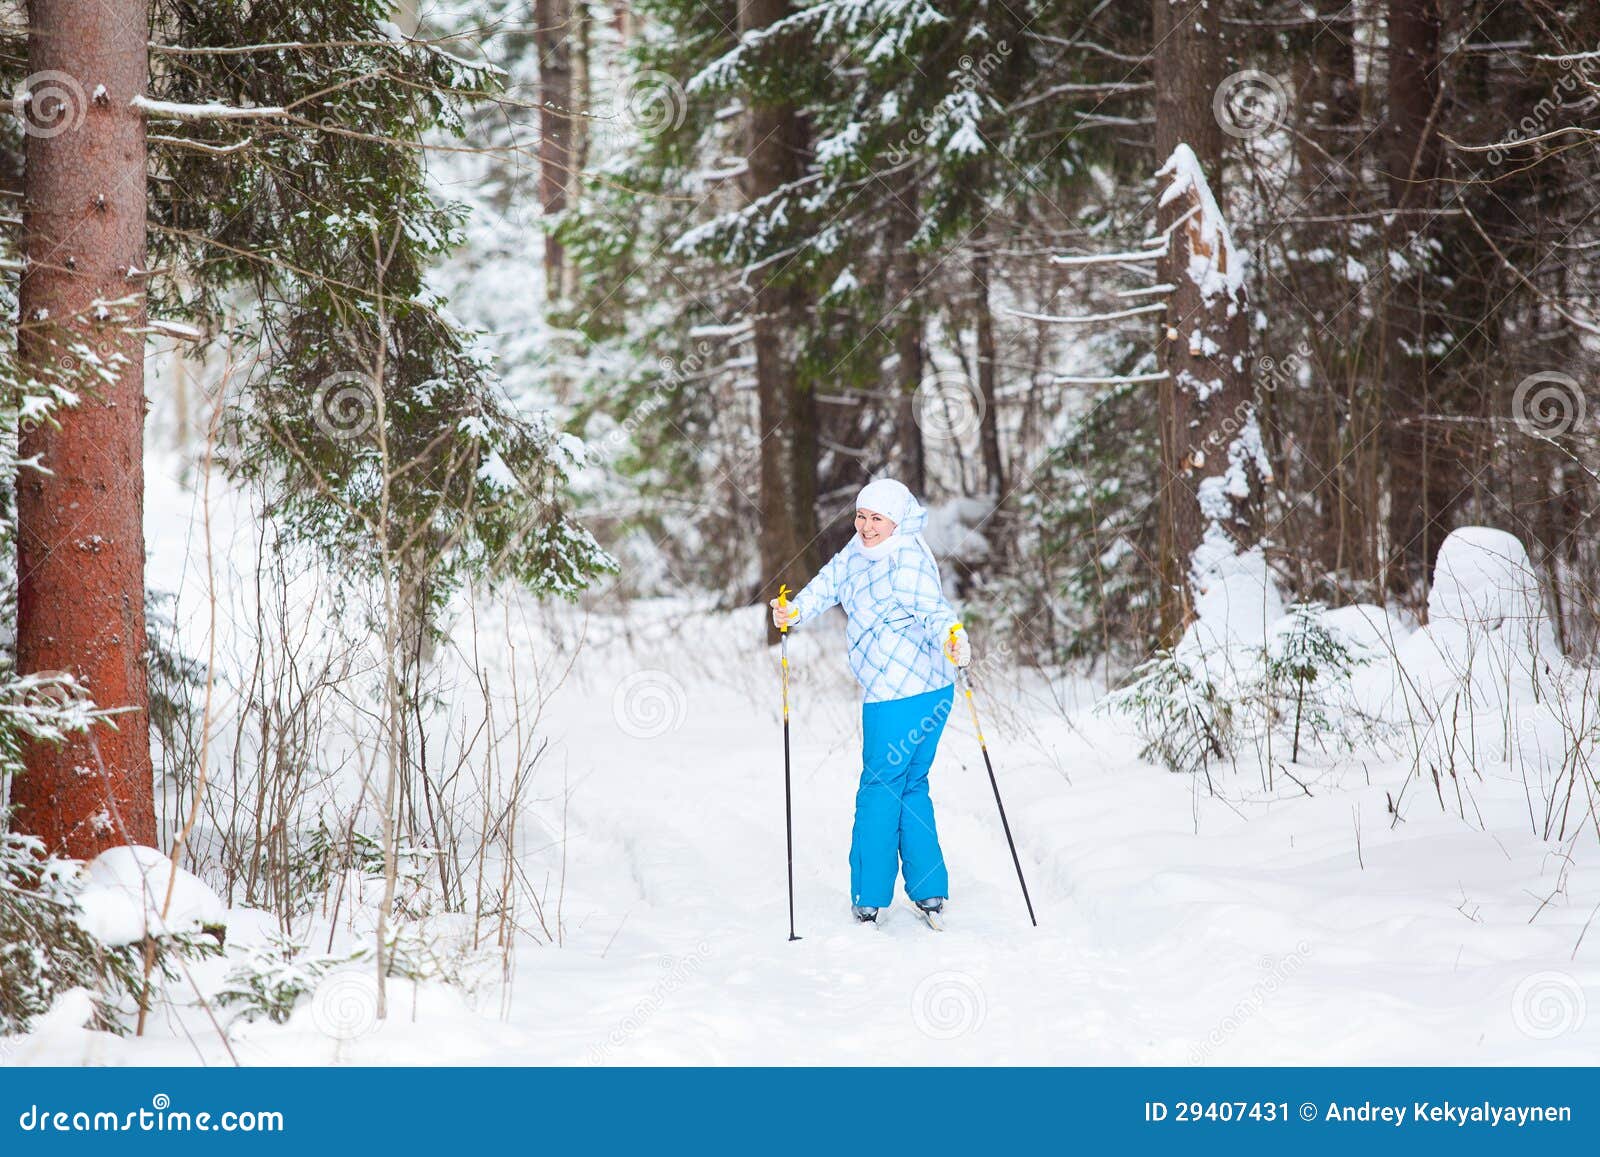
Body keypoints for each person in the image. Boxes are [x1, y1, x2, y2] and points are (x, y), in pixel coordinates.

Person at [771, 478, 971, 924]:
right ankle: (930, 890)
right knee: (911, 786)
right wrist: (795, 611)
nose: (865, 526)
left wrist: (954, 638)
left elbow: (934, 612)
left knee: (880, 790)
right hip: (927, 692)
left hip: (899, 697)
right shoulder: (858, 553)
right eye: (861, 515)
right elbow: (827, 585)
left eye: (876, 518)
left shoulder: (905, 561)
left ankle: (869, 895)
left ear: (896, 521)